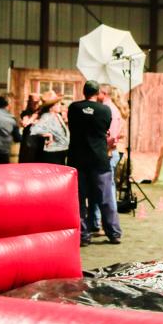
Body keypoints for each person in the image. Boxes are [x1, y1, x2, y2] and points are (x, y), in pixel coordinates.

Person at [67, 80, 122, 246]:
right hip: (99, 159)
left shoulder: (73, 108)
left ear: (84, 92)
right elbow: (106, 131)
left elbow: (72, 127)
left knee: (79, 199)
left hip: (77, 159)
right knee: (106, 198)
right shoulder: (105, 110)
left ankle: (83, 236)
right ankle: (113, 233)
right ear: (98, 93)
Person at [87, 84, 124, 234]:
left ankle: (108, 225)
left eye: (98, 93)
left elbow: (112, 135)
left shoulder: (109, 110)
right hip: (106, 151)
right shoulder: (106, 108)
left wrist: (101, 147)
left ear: (103, 93)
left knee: (107, 190)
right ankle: (97, 223)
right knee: (100, 188)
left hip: (108, 152)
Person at [29, 90, 69, 165]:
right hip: (52, 154)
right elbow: (34, 130)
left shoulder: (57, 115)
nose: (60, 106)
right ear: (51, 106)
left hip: (61, 152)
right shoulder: (47, 116)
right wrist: (47, 134)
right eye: (58, 104)